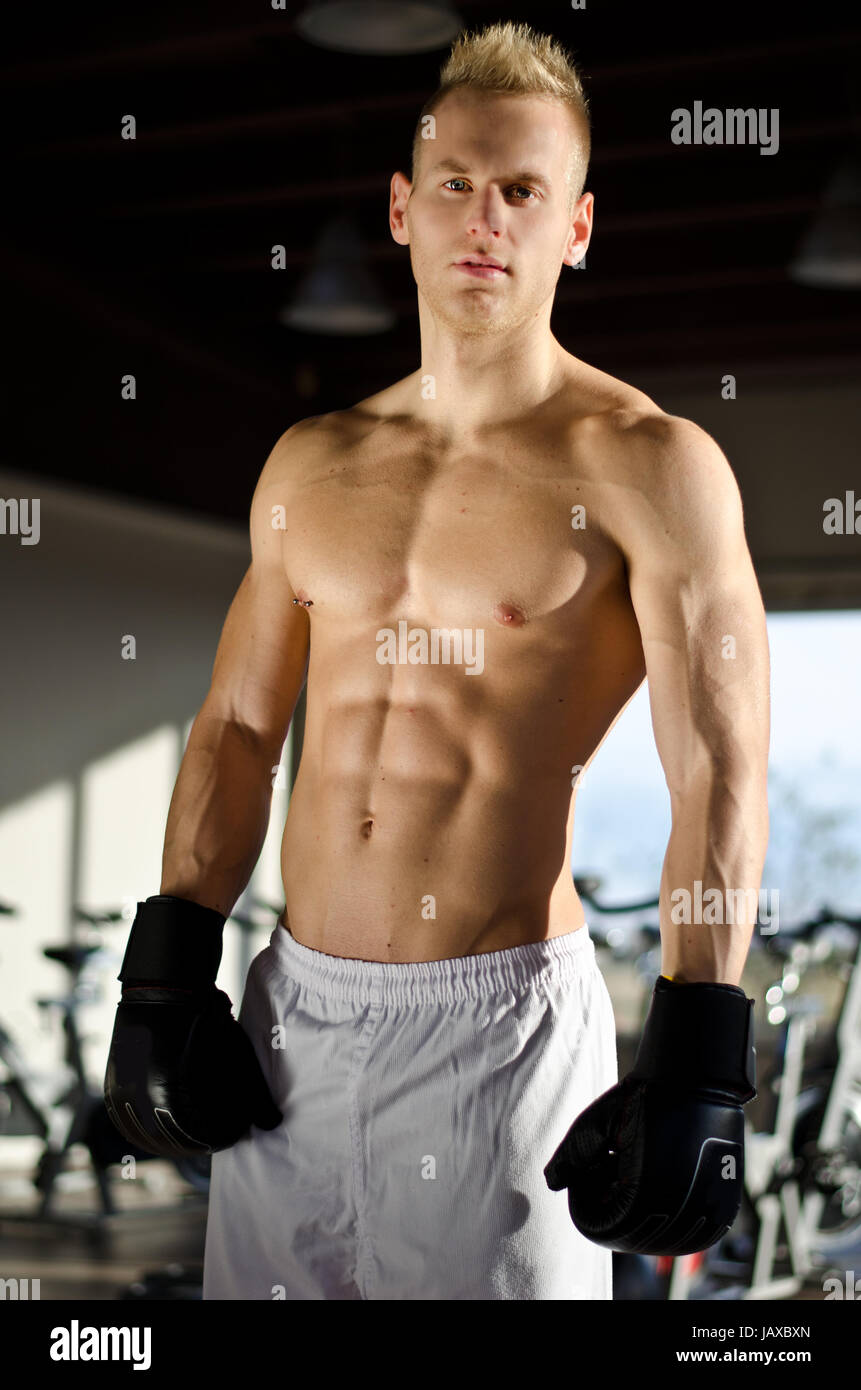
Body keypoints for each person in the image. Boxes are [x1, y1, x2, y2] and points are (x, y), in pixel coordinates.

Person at [104, 20, 769, 1300]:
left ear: (576, 228)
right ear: (401, 208)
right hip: (290, 1017)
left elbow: (719, 772)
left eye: (524, 191)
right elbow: (239, 730)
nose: (486, 218)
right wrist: (170, 963)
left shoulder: (652, 466)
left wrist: (699, 1053)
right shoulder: (313, 461)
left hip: (499, 1029)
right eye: (458, 184)